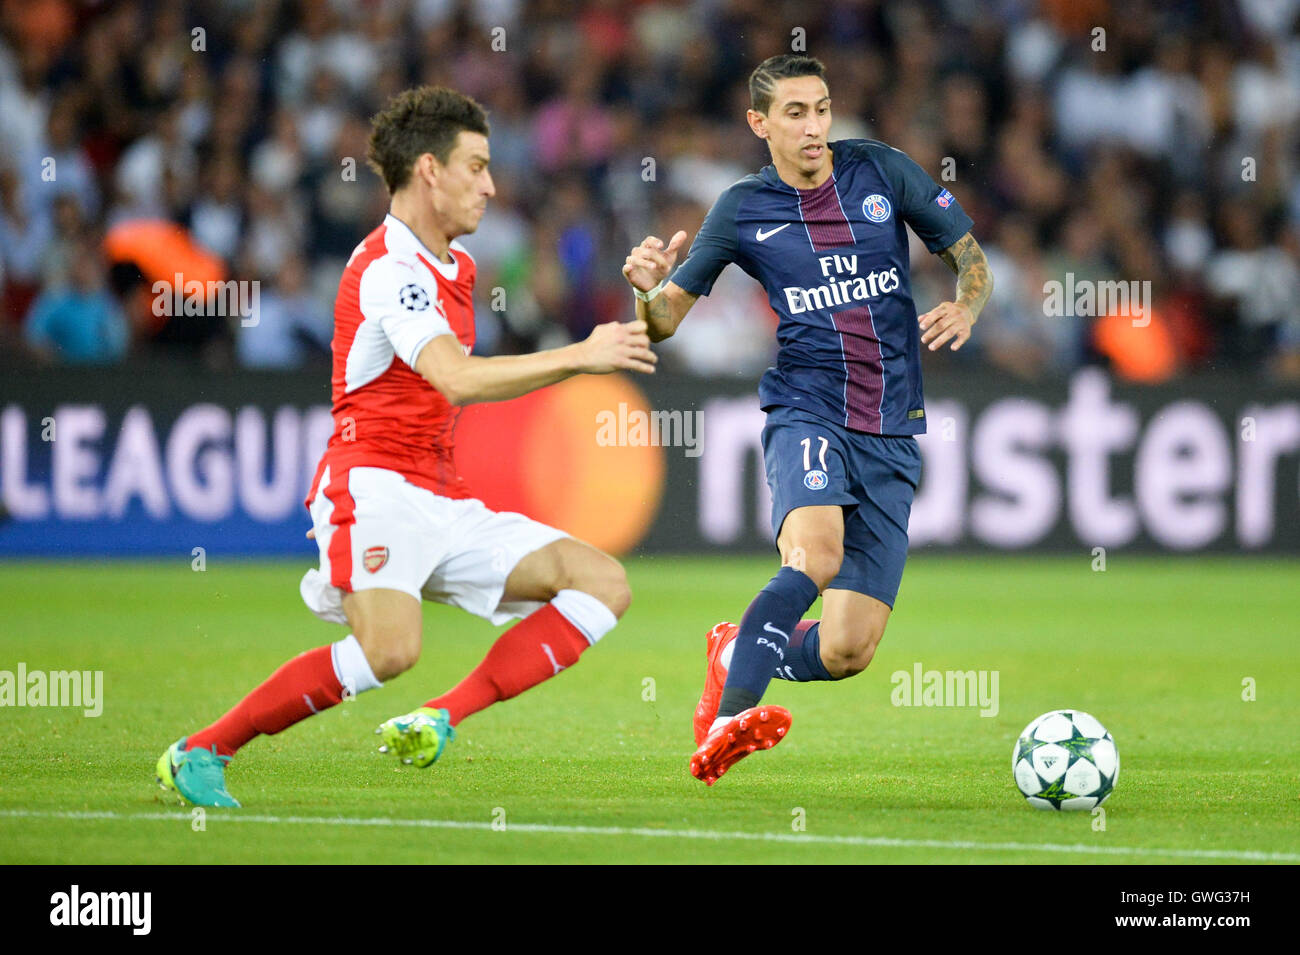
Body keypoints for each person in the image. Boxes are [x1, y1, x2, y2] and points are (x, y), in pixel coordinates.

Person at [157, 86, 656, 807]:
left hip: (441, 491)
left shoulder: (457, 265)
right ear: (429, 169)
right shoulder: (391, 268)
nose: (491, 184)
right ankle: (202, 749)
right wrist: (579, 356)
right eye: (477, 165)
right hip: (374, 483)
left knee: (603, 583)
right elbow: (453, 375)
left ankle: (438, 717)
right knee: (391, 649)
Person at [622, 55, 993, 785]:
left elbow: (972, 257)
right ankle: (727, 720)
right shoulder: (740, 209)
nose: (815, 127)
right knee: (814, 557)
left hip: (891, 427)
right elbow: (665, 320)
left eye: (821, 108)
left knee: (848, 650)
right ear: (760, 123)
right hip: (807, 407)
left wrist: (967, 304)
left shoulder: (882, 171)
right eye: (795, 113)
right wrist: (644, 290)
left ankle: (735, 648)